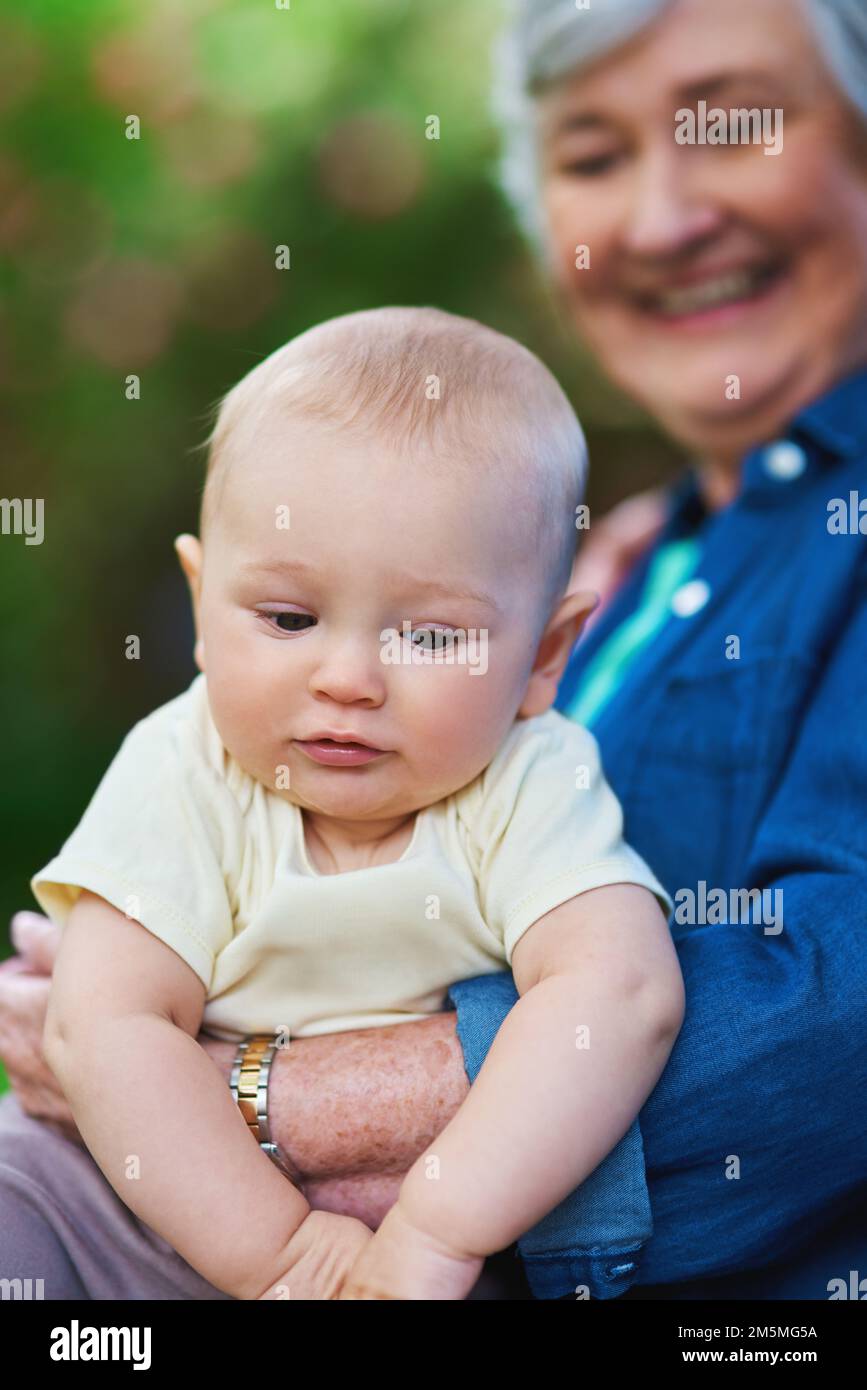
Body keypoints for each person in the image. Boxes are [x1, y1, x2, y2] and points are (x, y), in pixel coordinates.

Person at [3, 0, 867, 1300]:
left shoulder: (566, 701)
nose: (657, 216)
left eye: (729, 123)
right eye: (587, 155)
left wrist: (262, 1094)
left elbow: (824, 1019)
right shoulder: (636, 566)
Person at [7, 306, 681, 1301]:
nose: (351, 678)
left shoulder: (532, 779)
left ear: (544, 655)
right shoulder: (185, 765)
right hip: (114, 1206)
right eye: (288, 617)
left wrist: (437, 1230)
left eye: (433, 636)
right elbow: (102, 1026)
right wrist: (286, 1257)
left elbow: (617, 994)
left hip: (431, 1232)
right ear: (201, 607)